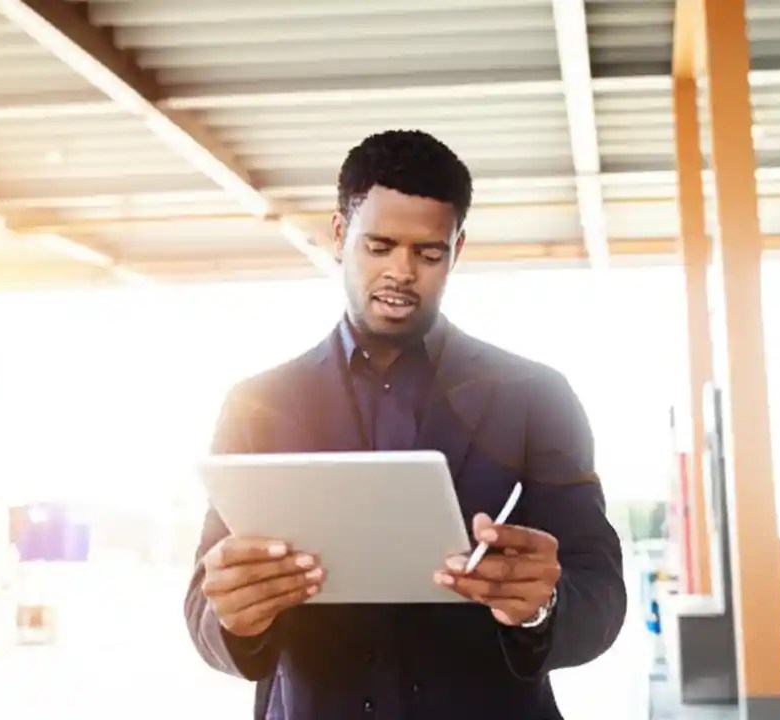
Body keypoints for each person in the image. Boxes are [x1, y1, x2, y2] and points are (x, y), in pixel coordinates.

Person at [184, 129, 626, 719]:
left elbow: (598, 589)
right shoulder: (258, 405)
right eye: (381, 245)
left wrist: (542, 605)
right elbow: (204, 605)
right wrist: (236, 616)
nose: (402, 271)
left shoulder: (536, 397)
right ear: (340, 236)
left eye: (428, 252)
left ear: (456, 250)